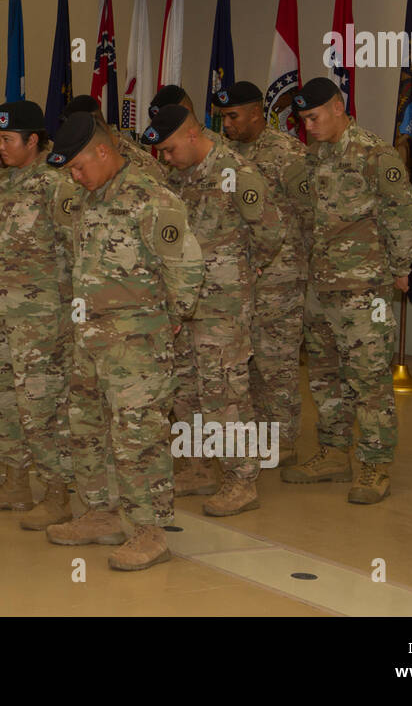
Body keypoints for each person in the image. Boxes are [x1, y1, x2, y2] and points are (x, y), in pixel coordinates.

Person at [43, 112, 204, 571]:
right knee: (87, 429)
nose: (74, 177)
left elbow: (187, 268)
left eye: (78, 167)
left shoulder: (152, 199)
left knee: (139, 438)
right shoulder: (88, 198)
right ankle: (100, 513)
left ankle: (149, 531)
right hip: (89, 339)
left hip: (137, 345)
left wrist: (168, 320)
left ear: (102, 151)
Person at [284, 77, 412, 504]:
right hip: (321, 285)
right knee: (324, 374)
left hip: (364, 287)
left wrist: (401, 267)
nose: (308, 126)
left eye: (313, 116)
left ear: (339, 107)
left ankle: (375, 464)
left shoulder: (374, 155)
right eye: (302, 119)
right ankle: (333, 451)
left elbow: (401, 211)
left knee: (368, 376)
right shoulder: (314, 157)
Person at [146, 105, 282, 516]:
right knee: (186, 389)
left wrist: (241, 270)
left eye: (170, 149)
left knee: (225, 391)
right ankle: (200, 466)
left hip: (223, 304)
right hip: (182, 304)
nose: (166, 159)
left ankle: (242, 480)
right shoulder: (177, 176)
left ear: (191, 134)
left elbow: (270, 231)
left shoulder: (236, 172)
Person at [0, 99, 80, 528]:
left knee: (41, 407)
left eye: (6, 140)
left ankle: (58, 493)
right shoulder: (4, 184)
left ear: (33, 140)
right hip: (0, 314)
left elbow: (76, 250)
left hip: (40, 319)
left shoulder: (56, 185)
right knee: (1, 401)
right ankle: (15, 480)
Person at [212, 81, 313, 464]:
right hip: (239, 275)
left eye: (233, 116)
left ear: (257, 113)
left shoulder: (287, 154)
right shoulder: (224, 155)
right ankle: (255, 434)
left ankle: (284, 439)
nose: (227, 124)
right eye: (223, 117)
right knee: (246, 362)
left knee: (278, 361)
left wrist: (300, 266)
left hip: (279, 276)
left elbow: (309, 212)